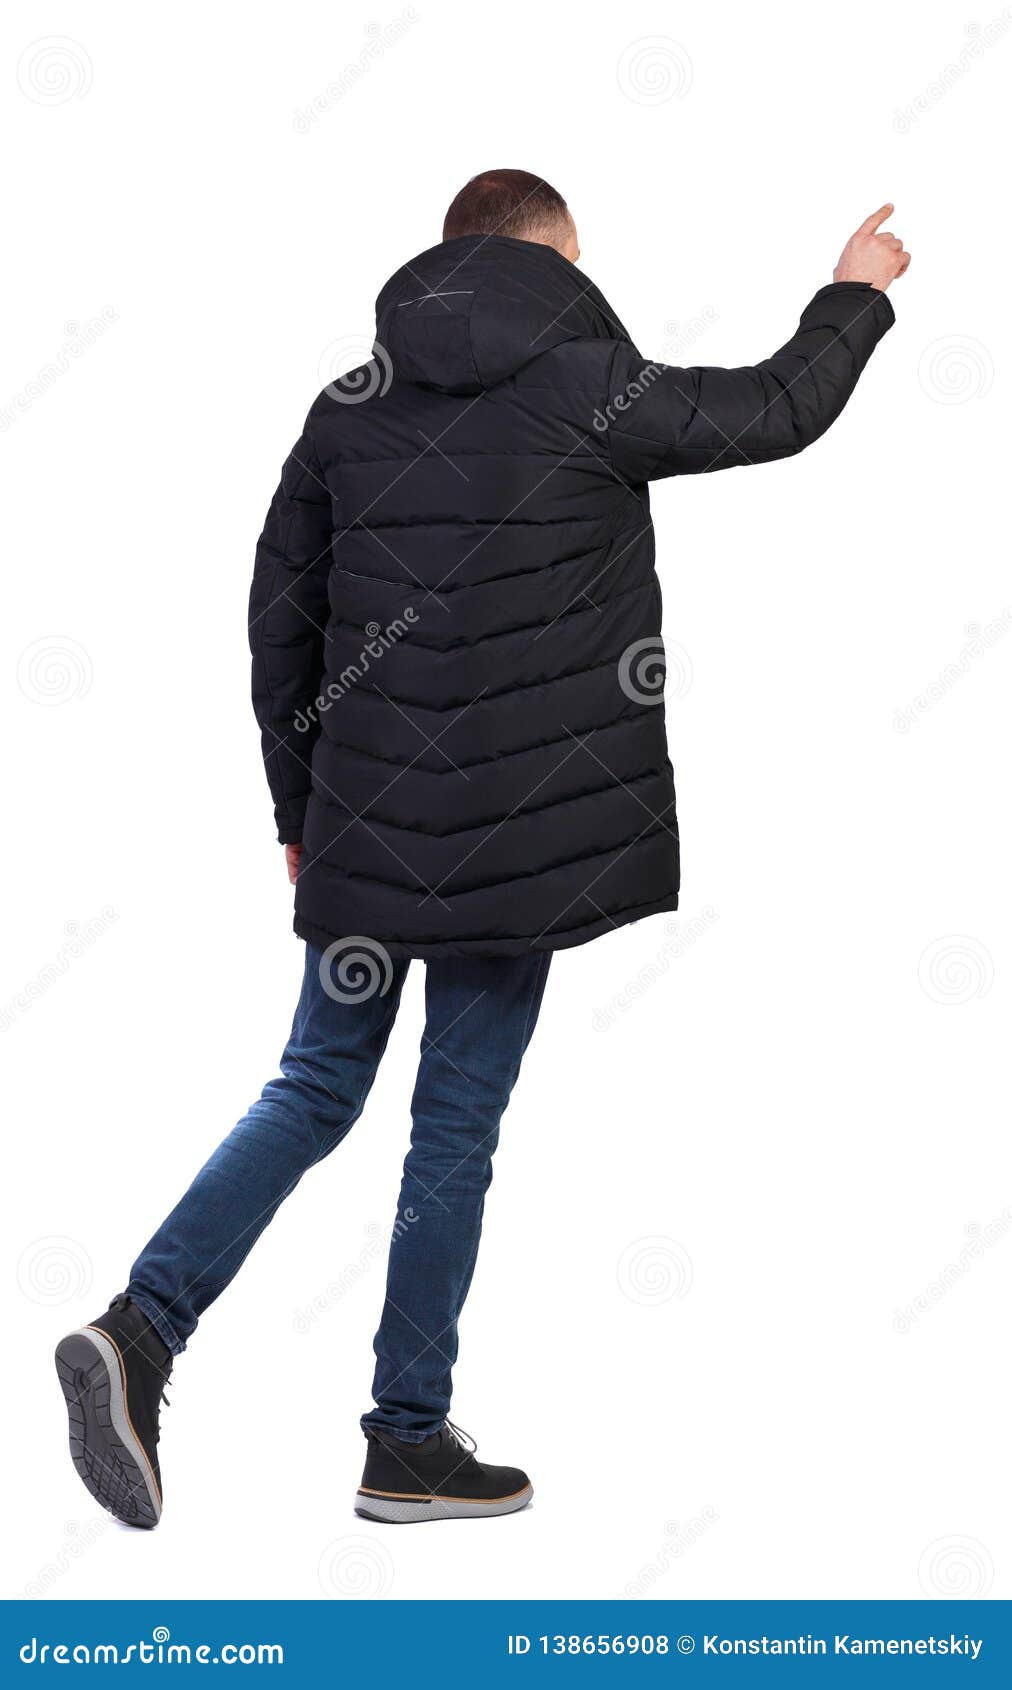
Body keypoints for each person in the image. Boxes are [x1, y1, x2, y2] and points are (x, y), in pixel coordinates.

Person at [55, 169, 909, 1528]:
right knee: (451, 1121)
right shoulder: (591, 384)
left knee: (312, 1084)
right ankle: (404, 1435)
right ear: (553, 255)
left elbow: (278, 621)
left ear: (444, 259)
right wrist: (855, 291)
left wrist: (298, 813)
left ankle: (142, 1324)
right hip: (519, 848)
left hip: (363, 831)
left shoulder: (347, 407)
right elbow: (776, 409)